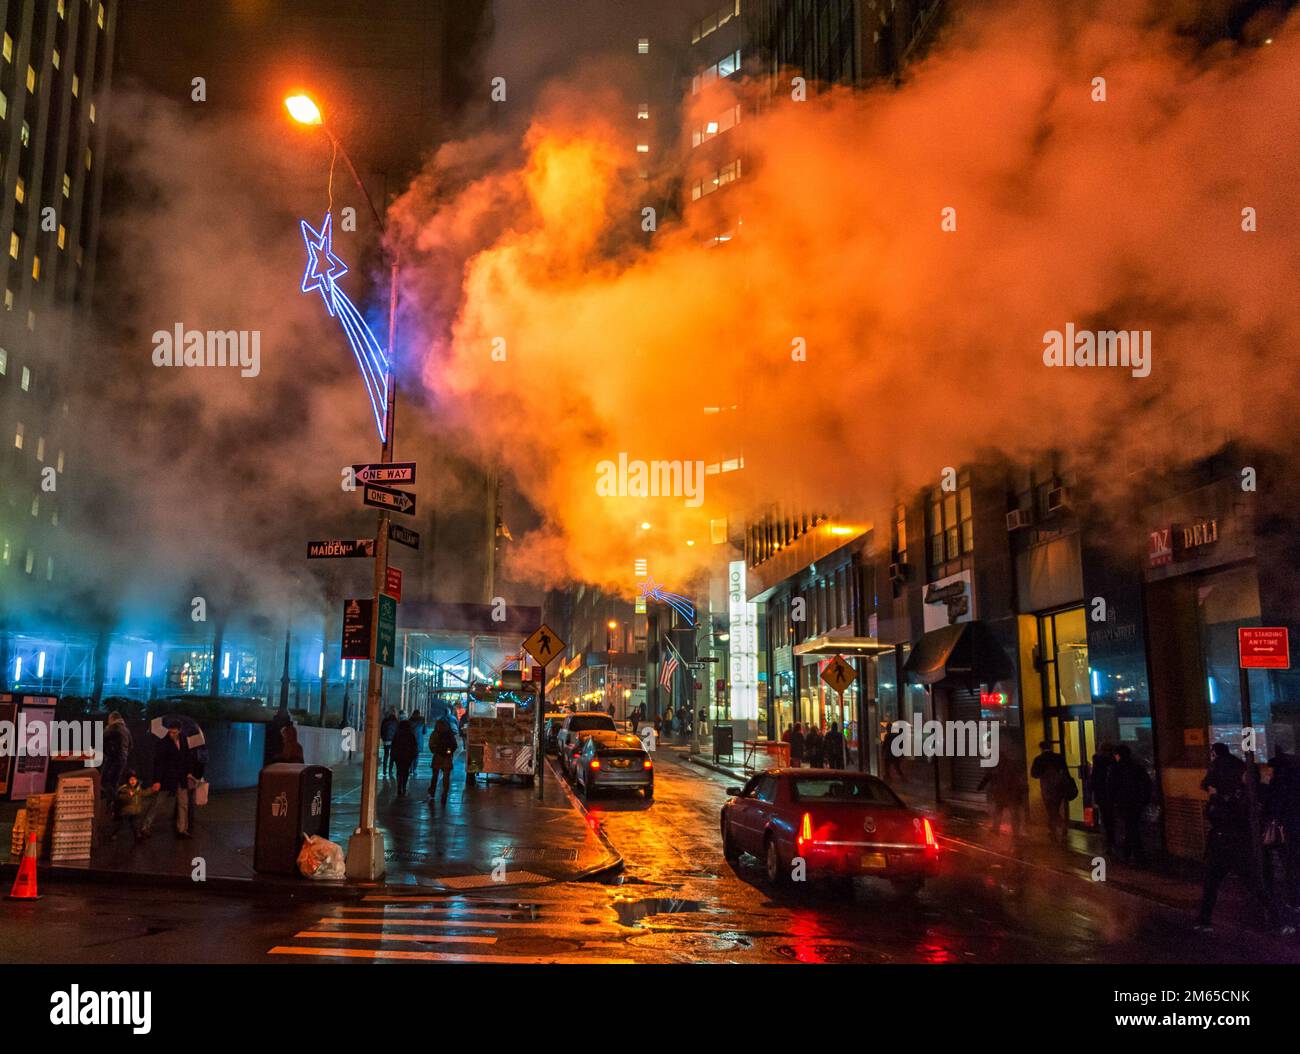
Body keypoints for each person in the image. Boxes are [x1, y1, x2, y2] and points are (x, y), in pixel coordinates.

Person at [1197, 744, 1293, 934]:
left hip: (1223, 843)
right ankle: (1278, 922)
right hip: (1240, 844)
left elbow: (1216, 816)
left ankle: (1204, 921)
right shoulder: (1251, 793)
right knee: (1254, 884)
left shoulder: (1226, 797)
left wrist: (1215, 801)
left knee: (1213, 884)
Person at [1264, 748, 1300, 911]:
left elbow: (1273, 807)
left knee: (1290, 866)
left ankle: (1294, 900)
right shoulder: (1294, 783)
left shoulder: (1278, 786)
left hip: (1287, 830)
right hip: (1293, 828)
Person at [148, 723, 194, 839]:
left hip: (181, 776)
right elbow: (158, 762)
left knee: (183, 803)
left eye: (174, 732)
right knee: (158, 803)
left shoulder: (184, 741)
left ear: (179, 731)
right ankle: (145, 826)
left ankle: (182, 829)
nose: (171, 734)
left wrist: (189, 772)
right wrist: (157, 780)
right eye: (170, 732)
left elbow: (188, 757)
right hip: (167, 777)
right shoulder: (163, 742)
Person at [1107, 744, 1151, 866]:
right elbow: (1147, 784)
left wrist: (1112, 802)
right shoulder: (1137, 767)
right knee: (1132, 827)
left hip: (1123, 803)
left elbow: (1111, 787)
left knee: (1128, 828)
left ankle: (1130, 854)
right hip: (1136, 802)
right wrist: (1145, 799)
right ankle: (1134, 854)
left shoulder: (1115, 769)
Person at [980, 747, 1028, 842]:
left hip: (1000, 794)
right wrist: (1022, 790)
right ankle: (1016, 833)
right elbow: (1019, 779)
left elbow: (987, 777)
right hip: (1012, 794)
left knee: (998, 811)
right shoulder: (1011, 765)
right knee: (1014, 814)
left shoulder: (995, 767)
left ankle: (996, 829)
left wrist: (980, 786)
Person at [1030, 740, 1070, 844]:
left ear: (1041, 748)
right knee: (1056, 808)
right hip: (1059, 788)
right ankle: (1056, 828)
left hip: (1047, 788)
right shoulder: (1059, 757)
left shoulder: (1039, 759)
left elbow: (1034, 774)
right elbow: (1065, 772)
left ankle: (1058, 827)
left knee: (1051, 809)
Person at [115, 771, 158, 842]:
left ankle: (138, 836)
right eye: (131, 780)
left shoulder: (138, 788)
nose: (133, 781)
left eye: (134, 779)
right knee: (123, 824)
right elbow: (121, 797)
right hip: (127, 812)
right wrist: (128, 795)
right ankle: (115, 834)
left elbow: (144, 793)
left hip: (135, 811)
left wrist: (152, 790)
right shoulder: (125, 789)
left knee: (135, 824)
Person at [101, 712, 132, 810]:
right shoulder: (126, 730)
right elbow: (131, 745)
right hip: (123, 759)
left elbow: (101, 740)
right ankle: (112, 806)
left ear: (112, 719)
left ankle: (117, 802)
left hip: (113, 758)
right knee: (114, 782)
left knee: (105, 781)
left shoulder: (112, 728)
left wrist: (107, 753)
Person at [1090, 742, 1117, 850]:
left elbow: (1094, 778)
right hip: (1113, 794)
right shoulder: (1113, 761)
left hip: (1102, 794)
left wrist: (1092, 791)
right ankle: (1112, 839)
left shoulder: (1097, 760)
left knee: (1106, 817)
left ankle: (1108, 840)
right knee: (1112, 817)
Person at [428, 718, 459, 804]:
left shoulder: (435, 733)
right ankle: (445, 792)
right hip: (447, 758)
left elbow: (431, 744)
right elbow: (454, 745)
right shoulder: (449, 734)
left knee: (435, 776)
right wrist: (449, 751)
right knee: (446, 777)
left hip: (437, 757)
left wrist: (436, 751)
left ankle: (432, 792)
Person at [392, 719, 417, 796]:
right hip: (408, 756)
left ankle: (399, 786)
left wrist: (393, 755)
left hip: (398, 755)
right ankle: (404, 786)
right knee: (406, 772)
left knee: (399, 771)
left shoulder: (397, 734)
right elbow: (414, 746)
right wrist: (413, 755)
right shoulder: (411, 734)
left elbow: (394, 745)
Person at [380, 709, 399, 779]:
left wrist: (383, 738)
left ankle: (384, 771)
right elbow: (398, 732)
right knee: (392, 756)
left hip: (386, 740)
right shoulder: (396, 722)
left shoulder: (385, 721)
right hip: (393, 741)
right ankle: (390, 771)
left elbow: (381, 730)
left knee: (386, 755)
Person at [409, 710, 426, 780]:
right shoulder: (422, 722)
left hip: (410, 740)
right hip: (418, 741)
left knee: (410, 755)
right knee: (416, 756)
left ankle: (411, 768)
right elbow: (424, 731)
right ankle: (414, 769)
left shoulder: (409, 721)